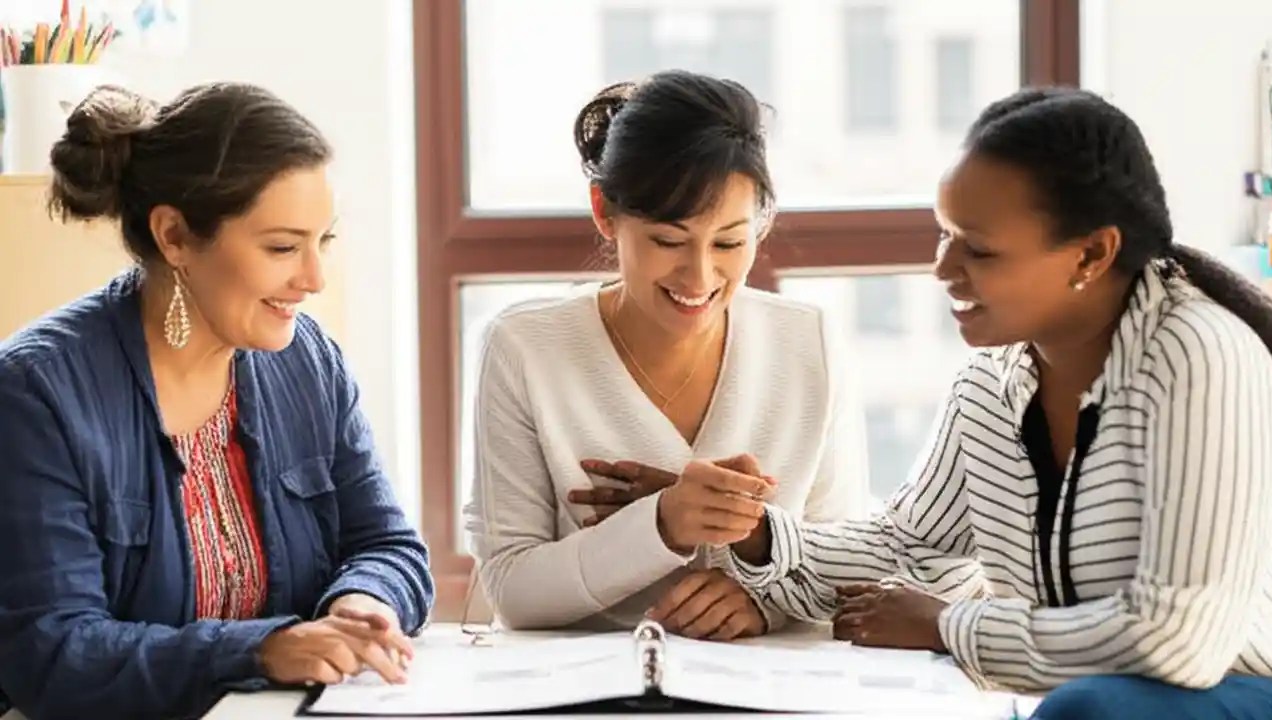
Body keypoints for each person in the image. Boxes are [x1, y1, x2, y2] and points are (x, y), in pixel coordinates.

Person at [640, 87, 1272, 719]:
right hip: (1079, 708)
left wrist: (952, 626)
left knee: (1090, 709)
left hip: (1237, 693)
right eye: (945, 235)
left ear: (1091, 253)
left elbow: (1181, 640)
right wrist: (754, 532)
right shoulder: (990, 386)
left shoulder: (1197, 355)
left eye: (979, 250)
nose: (943, 269)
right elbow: (906, 544)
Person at [0, 83, 434, 720]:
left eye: (324, 242)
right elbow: (54, 651)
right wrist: (258, 651)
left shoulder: (308, 360)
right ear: (174, 236)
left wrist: (365, 600)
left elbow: (390, 545)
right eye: (283, 247)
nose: (313, 278)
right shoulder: (37, 393)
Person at [462, 70, 876, 639]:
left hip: (769, 687)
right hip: (589, 691)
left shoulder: (811, 343)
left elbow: (850, 564)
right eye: (668, 241)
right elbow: (512, 588)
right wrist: (662, 525)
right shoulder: (524, 348)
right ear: (605, 212)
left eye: (730, 242)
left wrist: (764, 602)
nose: (701, 276)